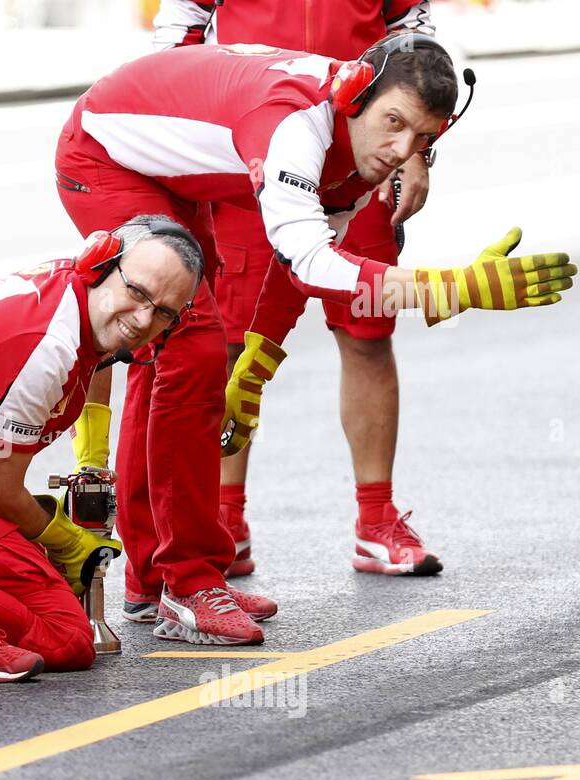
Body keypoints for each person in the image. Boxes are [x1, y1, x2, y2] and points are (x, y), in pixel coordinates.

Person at [56, 35, 575, 644]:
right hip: (102, 158)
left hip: (167, 173)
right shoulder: (293, 128)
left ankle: (150, 584)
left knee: (173, 348)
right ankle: (190, 585)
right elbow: (309, 260)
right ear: (354, 94)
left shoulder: (356, 149)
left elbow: (293, 272)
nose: (401, 151)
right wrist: (450, 287)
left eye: (423, 140)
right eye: (394, 123)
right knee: (192, 338)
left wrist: (252, 369)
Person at [150, 0, 445, 578]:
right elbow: (179, 23)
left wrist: (416, 150)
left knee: (367, 332)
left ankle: (376, 519)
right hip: (250, 155)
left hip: (363, 151)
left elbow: (413, 38)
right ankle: (223, 520)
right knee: (229, 342)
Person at [0, 215, 204, 674]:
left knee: (34, 585)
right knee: (67, 636)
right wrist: (62, 538)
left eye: (164, 312)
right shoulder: (48, 346)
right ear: (100, 264)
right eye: (139, 293)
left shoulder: (75, 296)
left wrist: (90, 463)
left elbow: (98, 360)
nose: (144, 320)